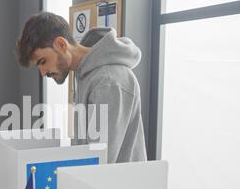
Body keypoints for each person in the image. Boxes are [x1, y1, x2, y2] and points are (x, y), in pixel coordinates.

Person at [17, 12, 146, 163]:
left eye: (43, 61)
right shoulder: (84, 73)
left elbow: (101, 161)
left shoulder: (107, 81)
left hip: (115, 184)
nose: (43, 72)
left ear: (61, 44)